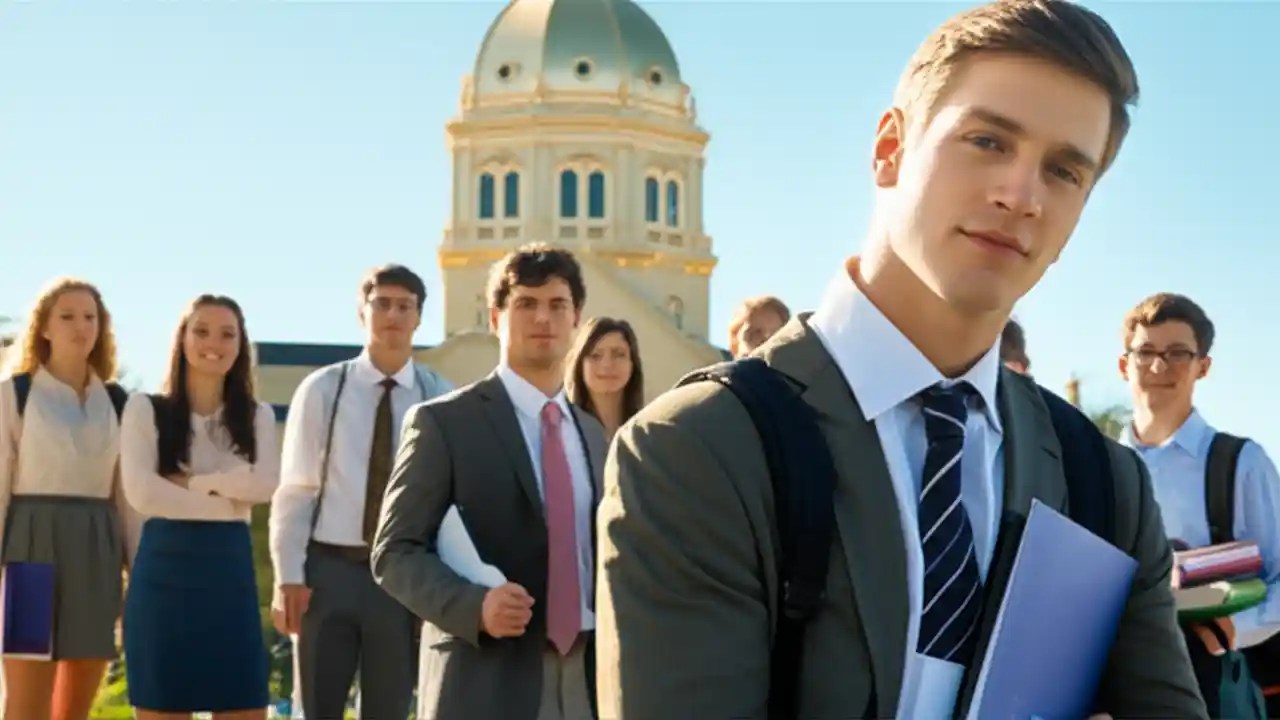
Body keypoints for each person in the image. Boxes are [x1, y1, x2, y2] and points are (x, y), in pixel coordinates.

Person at [594, 1, 1207, 717]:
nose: (1021, 195)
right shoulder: (700, 447)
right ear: (890, 148)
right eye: (987, 140)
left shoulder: (1105, 485)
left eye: (1065, 171)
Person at [372, 244, 608, 720]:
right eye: (526, 303)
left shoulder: (592, 433)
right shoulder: (443, 423)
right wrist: (473, 605)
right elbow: (394, 552)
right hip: (485, 679)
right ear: (496, 318)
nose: (543, 318)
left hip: (588, 677)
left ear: (577, 319)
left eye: (557, 305)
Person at [268, 264, 453, 720]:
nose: (392, 314)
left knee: (389, 709)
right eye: (382, 303)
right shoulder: (323, 389)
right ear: (362, 312)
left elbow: (447, 503)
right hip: (327, 573)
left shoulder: (441, 397)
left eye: (404, 306)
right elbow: (295, 489)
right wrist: (288, 574)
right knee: (317, 708)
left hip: (401, 579)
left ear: (418, 317)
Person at [1118, 292, 1280, 711]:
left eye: (1177, 353)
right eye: (1146, 352)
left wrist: (1234, 626)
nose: (1158, 366)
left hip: (1211, 679)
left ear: (1202, 366)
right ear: (1124, 365)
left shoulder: (1241, 462)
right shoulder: (1098, 464)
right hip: (1114, 681)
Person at [120, 294, 278, 718]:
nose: (215, 342)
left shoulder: (257, 416)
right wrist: (227, 498)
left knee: (243, 705)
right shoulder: (144, 408)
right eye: (202, 331)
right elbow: (143, 493)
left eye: (228, 334)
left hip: (229, 573)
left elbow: (264, 485)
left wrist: (193, 483)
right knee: (163, 706)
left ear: (241, 345)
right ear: (182, 339)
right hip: (162, 575)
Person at [0, 278, 134, 720]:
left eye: (90, 317)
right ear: (43, 327)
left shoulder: (117, 403)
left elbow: (126, 496)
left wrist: (138, 567)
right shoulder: (14, 394)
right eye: (68, 316)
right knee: (25, 702)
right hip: (28, 550)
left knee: (75, 704)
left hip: (96, 551)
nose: (81, 326)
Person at [565, 317, 644, 440]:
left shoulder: (647, 433)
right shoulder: (561, 431)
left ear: (632, 363)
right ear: (580, 366)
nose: (607, 364)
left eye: (618, 354)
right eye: (596, 356)